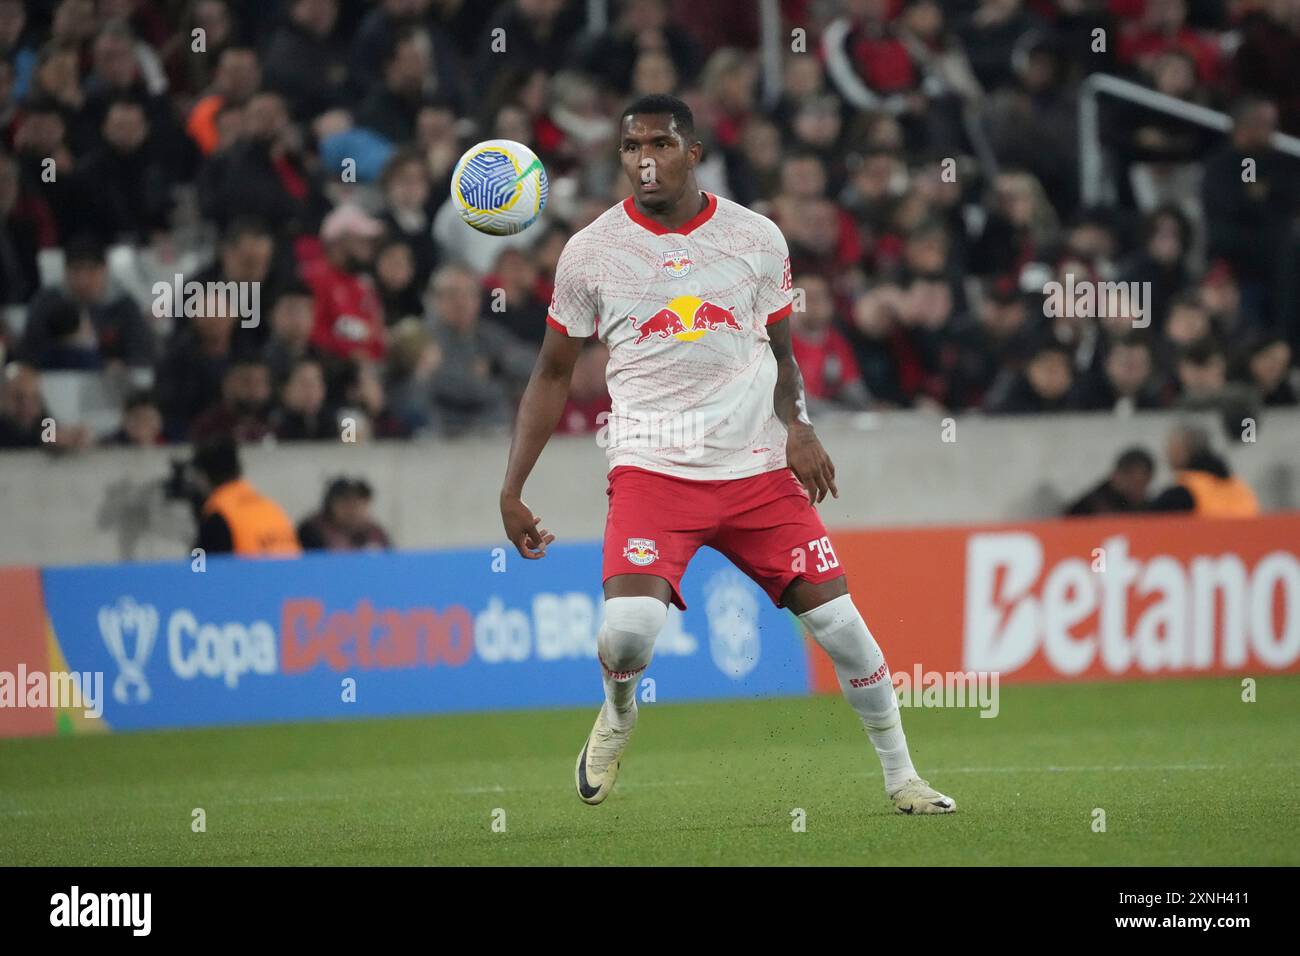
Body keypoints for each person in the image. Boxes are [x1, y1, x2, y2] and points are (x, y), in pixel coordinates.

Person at [499, 94, 954, 815]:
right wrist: (512, 486)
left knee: (844, 629)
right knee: (628, 632)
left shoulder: (757, 237)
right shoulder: (590, 251)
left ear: (696, 151)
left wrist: (799, 424)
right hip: (652, 466)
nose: (644, 159)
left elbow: (781, 350)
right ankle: (619, 711)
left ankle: (903, 777)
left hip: (756, 468)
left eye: (661, 142)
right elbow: (553, 373)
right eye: (630, 146)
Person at [192, 434, 302, 556]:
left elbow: (201, 569)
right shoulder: (270, 507)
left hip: (248, 574)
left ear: (204, 476)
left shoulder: (219, 513)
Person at [1150, 422, 1260, 517]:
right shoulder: (1240, 487)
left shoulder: (1181, 494)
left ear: (1182, 450)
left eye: (1171, 447)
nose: (1167, 455)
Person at [297, 476, 392, 551]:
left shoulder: (375, 533)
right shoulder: (312, 532)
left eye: (359, 502)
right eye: (346, 501)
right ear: (330, 505)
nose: (353, 508)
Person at [1064, 447, 1155, 516]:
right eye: (1136, 484)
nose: (1139, 491)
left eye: (1143, 485)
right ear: (1118, 475)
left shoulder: (1147, 506)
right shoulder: (1090, 506)